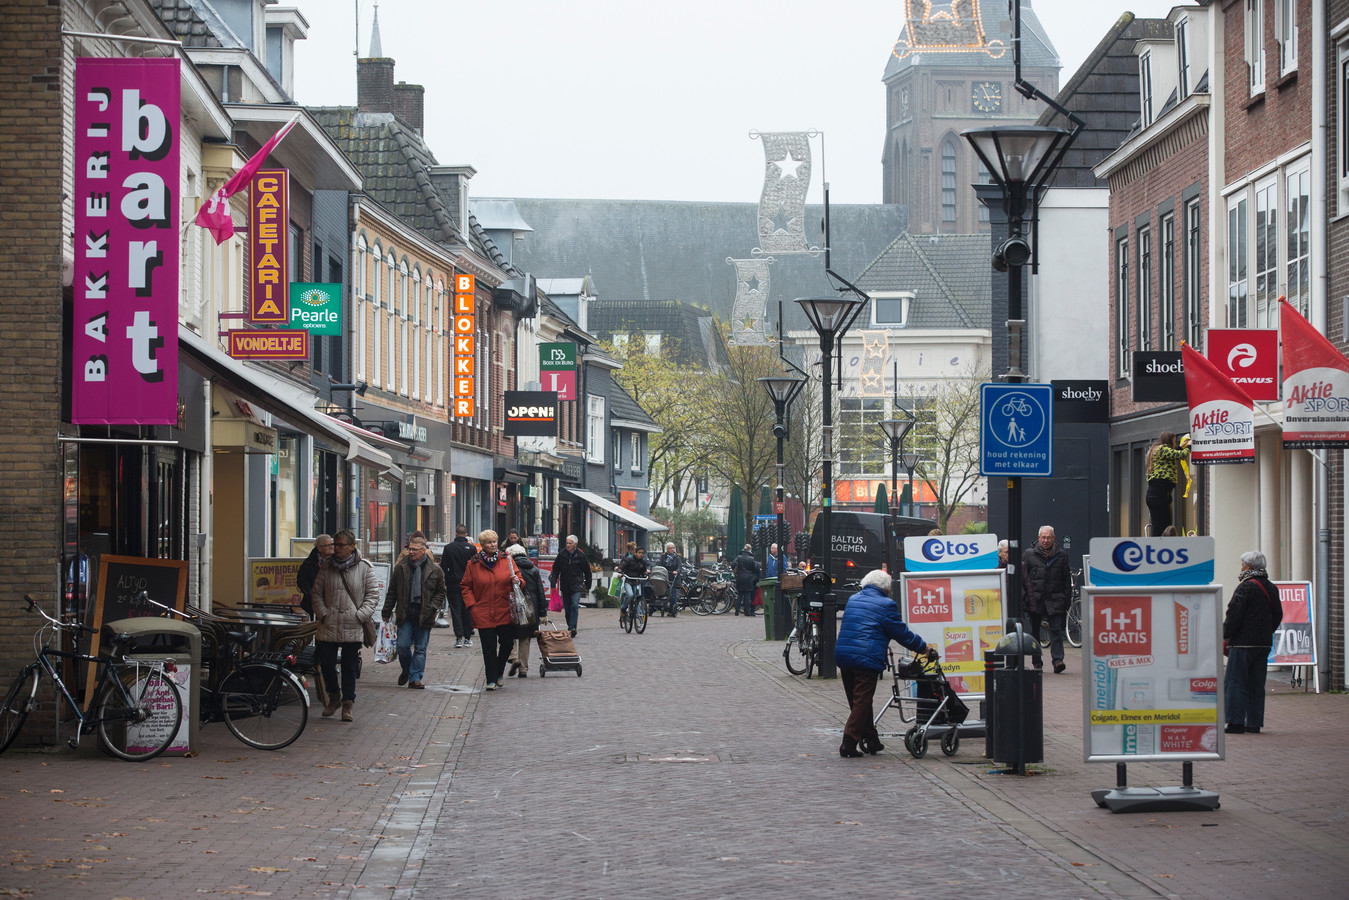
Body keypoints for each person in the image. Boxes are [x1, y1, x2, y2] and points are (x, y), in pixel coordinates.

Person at [834, 569, 938, 757]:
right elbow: (902, 634)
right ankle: (848, 743)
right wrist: (923, 648)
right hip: (866, 659)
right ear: (886, 588)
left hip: (844, 656)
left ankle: (871, 740)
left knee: (859, 702)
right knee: (862, 702)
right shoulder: (886, 605)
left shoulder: (853, 599)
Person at [312, 529, 379, 722]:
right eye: (334, 544)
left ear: (352, 546)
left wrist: (360, 615)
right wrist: (323, 613)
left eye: (340, 545)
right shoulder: (327, 567)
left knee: (350, 666)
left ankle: (347, 704)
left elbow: (373, 595)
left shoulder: (364, 567)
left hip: (352, 623)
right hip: (329, 623)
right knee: (326, 663)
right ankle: (334, 697)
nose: (336, 549)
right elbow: (316, 593)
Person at [1223, 551, 1282, 734]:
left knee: (1236, 682)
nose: (1240, 567)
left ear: (1248, 567)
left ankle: (1235, 722)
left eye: (1242, 564)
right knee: (1256, 684)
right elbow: (1278, 614)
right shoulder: (1271, 587)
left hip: (1242, 643)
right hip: (1263, 644)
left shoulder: (1245, 587)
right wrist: (1265, 632)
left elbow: (1234, 615)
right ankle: (1254, 722)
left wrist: (1225, 634)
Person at [383, 535, 447, 690]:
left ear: (423, 550)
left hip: (425, 614)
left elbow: (441, 592)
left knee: (420, 648)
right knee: (403, 646)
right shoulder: (401, 568)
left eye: (414, 549)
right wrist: (386, 610)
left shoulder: (435, 570)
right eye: (409, 549)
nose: (411, 552)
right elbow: (392, 591)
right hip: (405, 614)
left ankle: (415, 678)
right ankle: (407, 669)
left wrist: (433, 606)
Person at [460, 529, 519, 691]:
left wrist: (517, 581)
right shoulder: (473, 563)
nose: (492, 545)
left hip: (504, 609)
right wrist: (472, 606)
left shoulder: (506, 559)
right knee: (489, 648)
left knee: (507, 643)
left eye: (494, 541)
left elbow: (520, 578)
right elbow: (465, 586)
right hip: (483, 611)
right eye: (488, 542)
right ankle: (491, 680)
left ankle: (499, 670)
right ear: (483, 545)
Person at [1023, 525, 1072, 673]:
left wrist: (1066, 600)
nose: (1045, 540)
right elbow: (1024, 579)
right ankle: (1037, 662)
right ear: (1038, 538)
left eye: (1048, 537)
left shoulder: (1062, 555)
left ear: (1053, 538)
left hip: (1055, 599)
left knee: (1056, 630)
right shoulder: (1029, 554)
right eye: (1043, 537)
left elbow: (1066, 580)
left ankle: (1058, 660)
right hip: (1035, 599)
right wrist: (1026, 598)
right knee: (1035, 632)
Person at [505, 544, 547, 678]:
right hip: (531, 606)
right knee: (525, 637)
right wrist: (543, 612)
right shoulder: (534, 569)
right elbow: (541, 591)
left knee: (510, 635)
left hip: (513, 604)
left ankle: (513, 658)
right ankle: (523, 669)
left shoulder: (509, 568)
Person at [1145, 431, 1190, 535]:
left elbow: (1172, 454)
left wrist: (1181, 447)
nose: (1174, 444)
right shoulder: (1162, 449)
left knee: (1157, 525)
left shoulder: (1155, 450)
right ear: (1168, 441)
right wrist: (1190, 446)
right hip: (1160, 492)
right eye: (1174, 442)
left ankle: (1156, 546)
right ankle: (1163, 546)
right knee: (1165, 525)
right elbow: (1181, 455)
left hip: (1153, 493)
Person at [440, 525, 477, 648]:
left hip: (453, 583)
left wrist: (446, 579)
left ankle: (458, 637)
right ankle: (467, 637)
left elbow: (443, 567)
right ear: (466, 534)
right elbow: (476, 566)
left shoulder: (448, 548)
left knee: (455, 610)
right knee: (467, 610)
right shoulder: (472, 548)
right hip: (469, 584)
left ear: (455, 533)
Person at [550, 534, 592, 636]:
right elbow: (555, 569)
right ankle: (570, 625)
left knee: (574, 605)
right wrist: (553, 582)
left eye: (570, 543)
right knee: (567, 609)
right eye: (567, 543)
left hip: (577, 585)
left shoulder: (581, 556)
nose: (568, 545)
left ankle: (572, 627)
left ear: (575, 544)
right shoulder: (562, 555)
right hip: (565, 585)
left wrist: (588, 585)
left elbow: (587, 571)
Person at [296, 534, 334, 615]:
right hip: (313, 604)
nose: (331, 547)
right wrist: (310, 594)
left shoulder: (337, 562)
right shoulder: (309, 563)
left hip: (333, 604)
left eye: (332, 544)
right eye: (327, 545)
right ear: (319, 548)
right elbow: (302, 581)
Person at [617, 545, 650, 621]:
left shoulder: (643, 562)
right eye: (639, 552)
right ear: (635, 553)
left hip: (636, 581)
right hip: (628, 580)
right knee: (630, 594)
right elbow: (621, 567)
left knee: (636, 596)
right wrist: (620, 572)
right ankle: (623, 608)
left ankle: (636, 611)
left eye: (642, 553)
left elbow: (643, 571)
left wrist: (645, 574)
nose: (641, 554)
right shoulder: (628, 559)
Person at [732, 543, 761, 617]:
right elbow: (755, 568)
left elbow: (733, 565)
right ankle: (747, 612)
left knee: (740, 595)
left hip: (740, 577)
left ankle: (737, 611)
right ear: (750, 550)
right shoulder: (752, 559)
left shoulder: (739, 557)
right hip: (749, 579)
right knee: (747, 595)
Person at [657, 542, 682, 616]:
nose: (672, 549)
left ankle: (672, 609)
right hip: (665, 576)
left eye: (673, 548)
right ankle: (662, 606)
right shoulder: (663, 557)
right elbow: (660, 565)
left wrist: (676, 571)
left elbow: (679, 566)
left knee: (672, 593)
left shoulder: (677, 557)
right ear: (667, 549)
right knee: (663, 592)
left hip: (673, 577)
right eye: (670, 548)